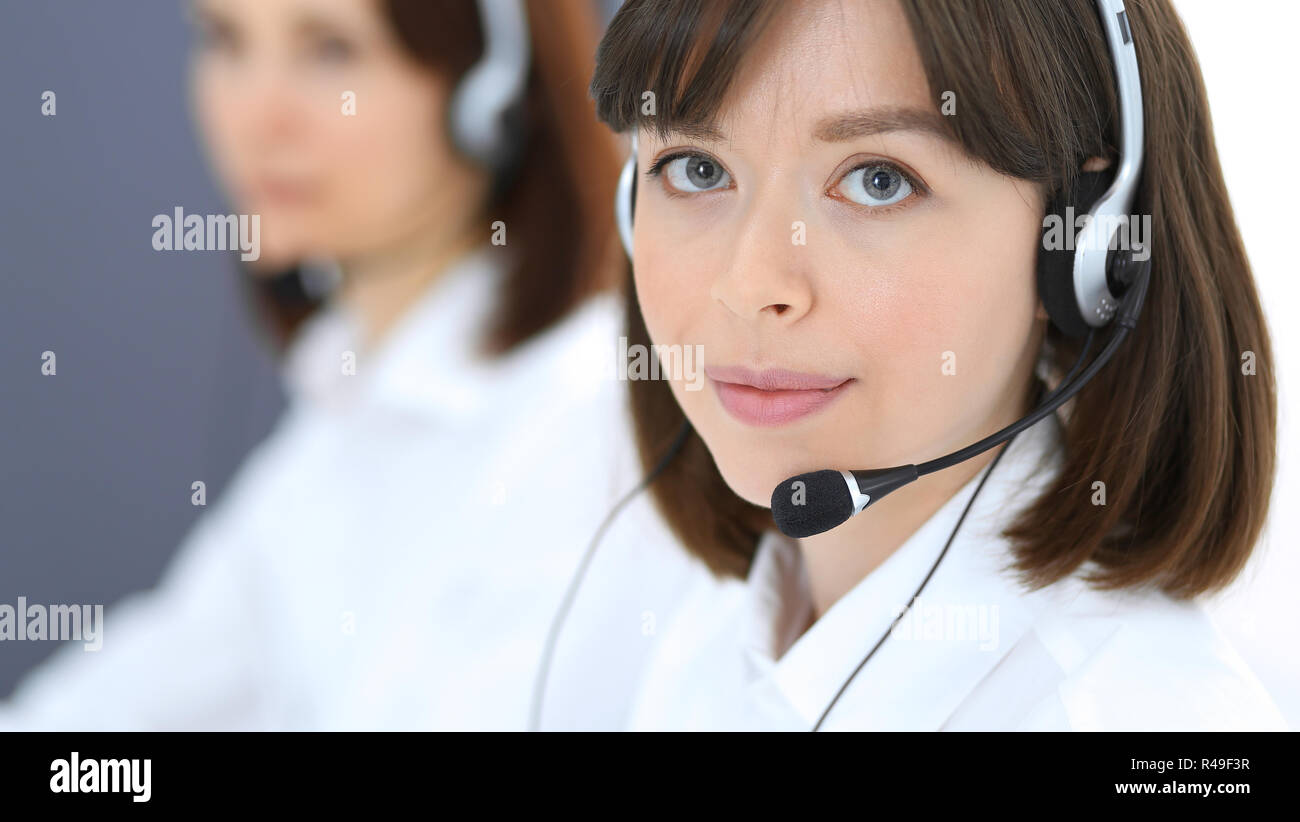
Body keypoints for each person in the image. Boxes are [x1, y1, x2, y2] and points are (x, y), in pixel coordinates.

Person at [0, 0, 704, 730]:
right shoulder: (347, 415)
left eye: (330, 50)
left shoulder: (589, 432)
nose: (255, 113)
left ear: (488, 94)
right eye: (225, 39)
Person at [588, 0, 1289, 730]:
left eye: (877, 181)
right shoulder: (706, 642)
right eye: (696, 169)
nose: (750, 285)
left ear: (1086, 248)